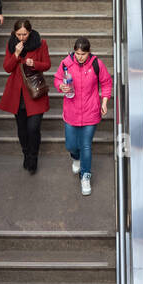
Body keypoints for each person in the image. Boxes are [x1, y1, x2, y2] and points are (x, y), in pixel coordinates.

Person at [55, 36, 113, 196]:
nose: (80, 57)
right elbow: (57, 79)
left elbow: (107, 82)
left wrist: (104, 101)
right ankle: (76, 158)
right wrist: (61, 86)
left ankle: (85, 175)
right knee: (71, 145)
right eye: (77, 53)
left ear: (89, 52)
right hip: (71, 111)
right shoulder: (66, 63)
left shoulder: (96, 64)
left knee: (86, 145)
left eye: (83, 54)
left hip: (91, 111)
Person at [0, 18, 51, 173]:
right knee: (22, 129)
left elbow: (47, 64)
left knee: (33, 128)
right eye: (19, 34)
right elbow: (7, 68)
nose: (22, 37)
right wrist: (15, 54)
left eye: (24, 34)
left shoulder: (40, 43)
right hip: (17, 93)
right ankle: (26, 154)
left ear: (30, 31)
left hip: (34, 91)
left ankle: (33, 157)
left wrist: (34, 63)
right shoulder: (11, 44)